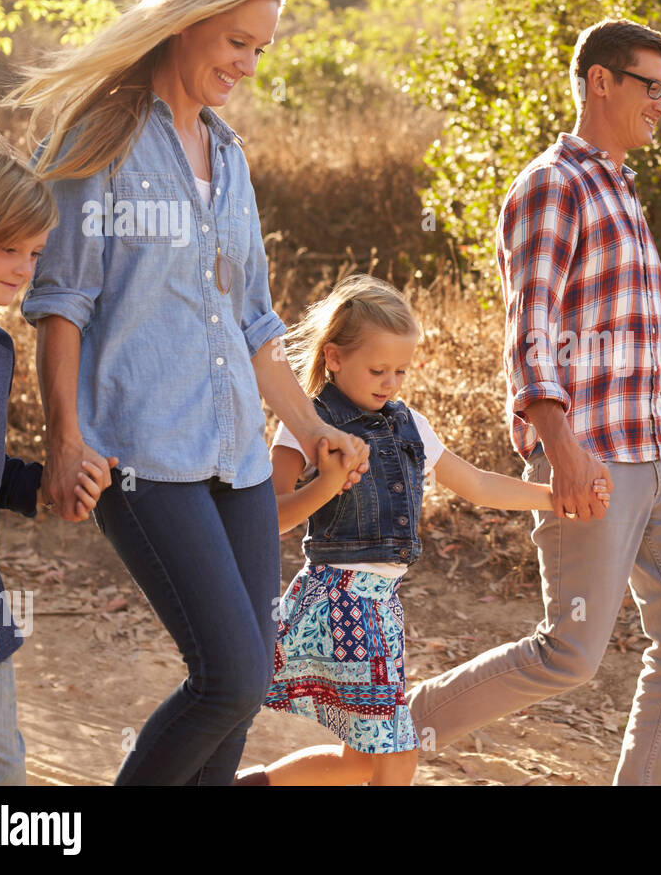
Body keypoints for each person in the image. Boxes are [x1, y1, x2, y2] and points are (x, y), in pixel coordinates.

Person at [5, 0, 369, 785]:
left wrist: (313, 428)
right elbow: (60, 306)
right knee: (230, 679)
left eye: (260, 48)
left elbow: (252, 324)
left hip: (237, 456)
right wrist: (66, 441)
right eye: (236, 41)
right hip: (141, 454)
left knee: (245, 690)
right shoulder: (98, 137)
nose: (247, 63)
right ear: (187, 21)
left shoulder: (230, 157)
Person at [404, 18, 661, 785]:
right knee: (571, 653)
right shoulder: (553, 184)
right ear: (601, 81)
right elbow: (530, 324)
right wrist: (562, 445)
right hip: (593, 452)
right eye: (653, 87)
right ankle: (403, 724)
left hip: (656, 449)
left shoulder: (619, 185)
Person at [232, 274, 609, 785]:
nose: (390, 382)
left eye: (401, 371)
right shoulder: (306, 423)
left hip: (381, 605)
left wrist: (553, 500)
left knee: (362, 760)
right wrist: (328, 484)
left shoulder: (409, 424)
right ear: (335, 358)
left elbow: (474, 483)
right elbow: (270, 519)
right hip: (340, 601)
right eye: (378, 368)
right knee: (399, 752)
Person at [0, 136, 108, 785]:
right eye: (9, 248)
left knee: (1, 781)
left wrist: (43, 486)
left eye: (34, 253)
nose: (24, 268)